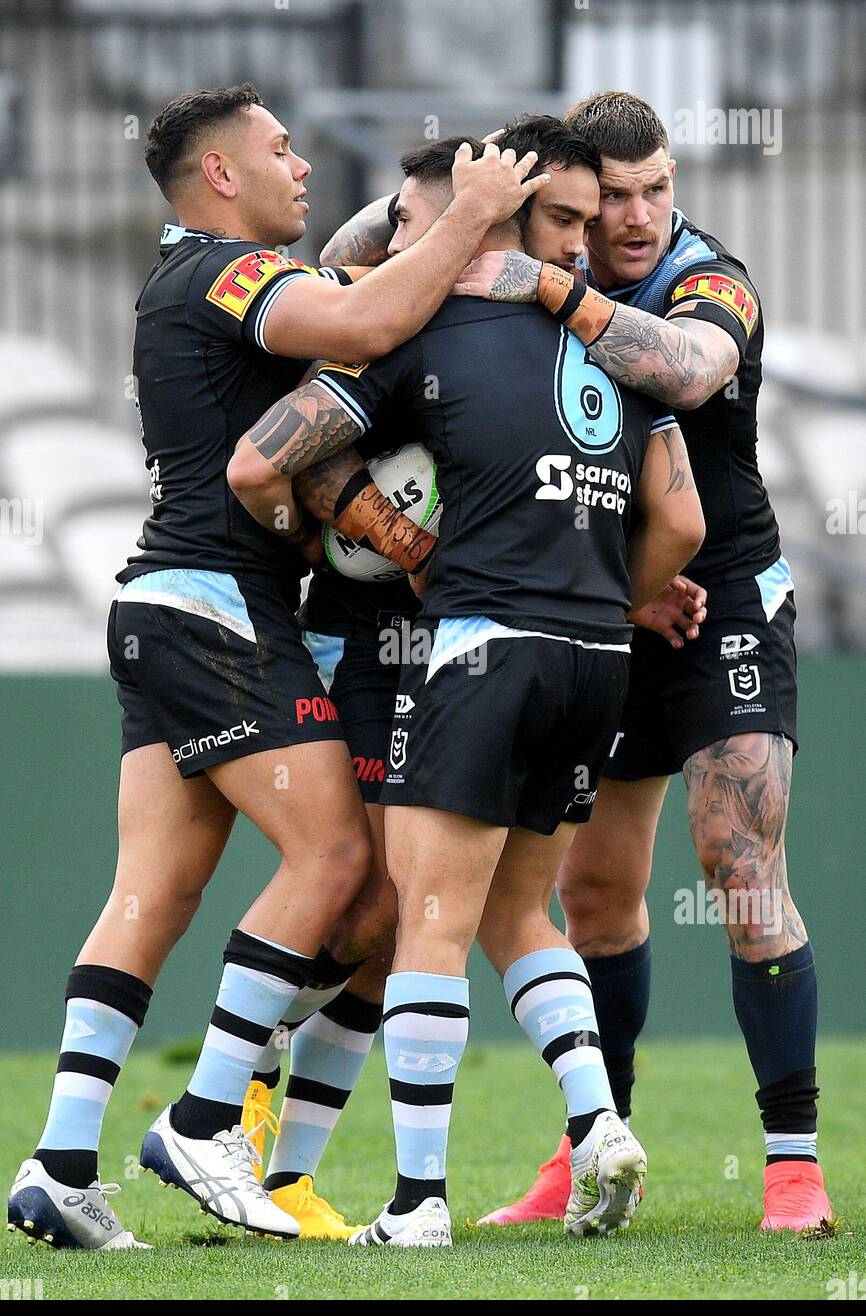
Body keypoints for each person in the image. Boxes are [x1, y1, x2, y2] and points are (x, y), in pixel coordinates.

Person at [7, 85, 546, 1251]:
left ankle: (59, 1164)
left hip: (161, 609)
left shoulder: (204, 277)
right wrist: (468, 213)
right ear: (219, 174)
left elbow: (359, 291)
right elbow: (367, 321)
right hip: (219, 612)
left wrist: (417, 236)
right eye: (280, 147)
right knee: (339, 855)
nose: (301, 166)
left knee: (151, 895)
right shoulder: (225, 271)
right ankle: (207, 1120)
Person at [228, 134, 705, 1247]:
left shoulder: (426, 327)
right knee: (521, 913)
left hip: (482, 645)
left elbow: (261, 460)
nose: (584, 240)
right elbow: (681, 524)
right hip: (598, 660)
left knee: (430, 927)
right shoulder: (618, 342)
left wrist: (373, 544)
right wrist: (610, 593)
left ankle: (418, 1204)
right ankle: (598, 1122)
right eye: (570, 220)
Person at [458, 91, 833, 1236]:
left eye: (654, 188)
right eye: (611, 194)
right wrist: (467, 196)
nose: (633, 214)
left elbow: (685, 372)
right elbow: (364, 244)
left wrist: (551, 291)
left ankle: (792, 1169)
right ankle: (592, 1150)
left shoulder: (705, 279)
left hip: (723, 607)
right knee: (592, 894)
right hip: (611, 608)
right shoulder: (545, 254)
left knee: (737, 866)